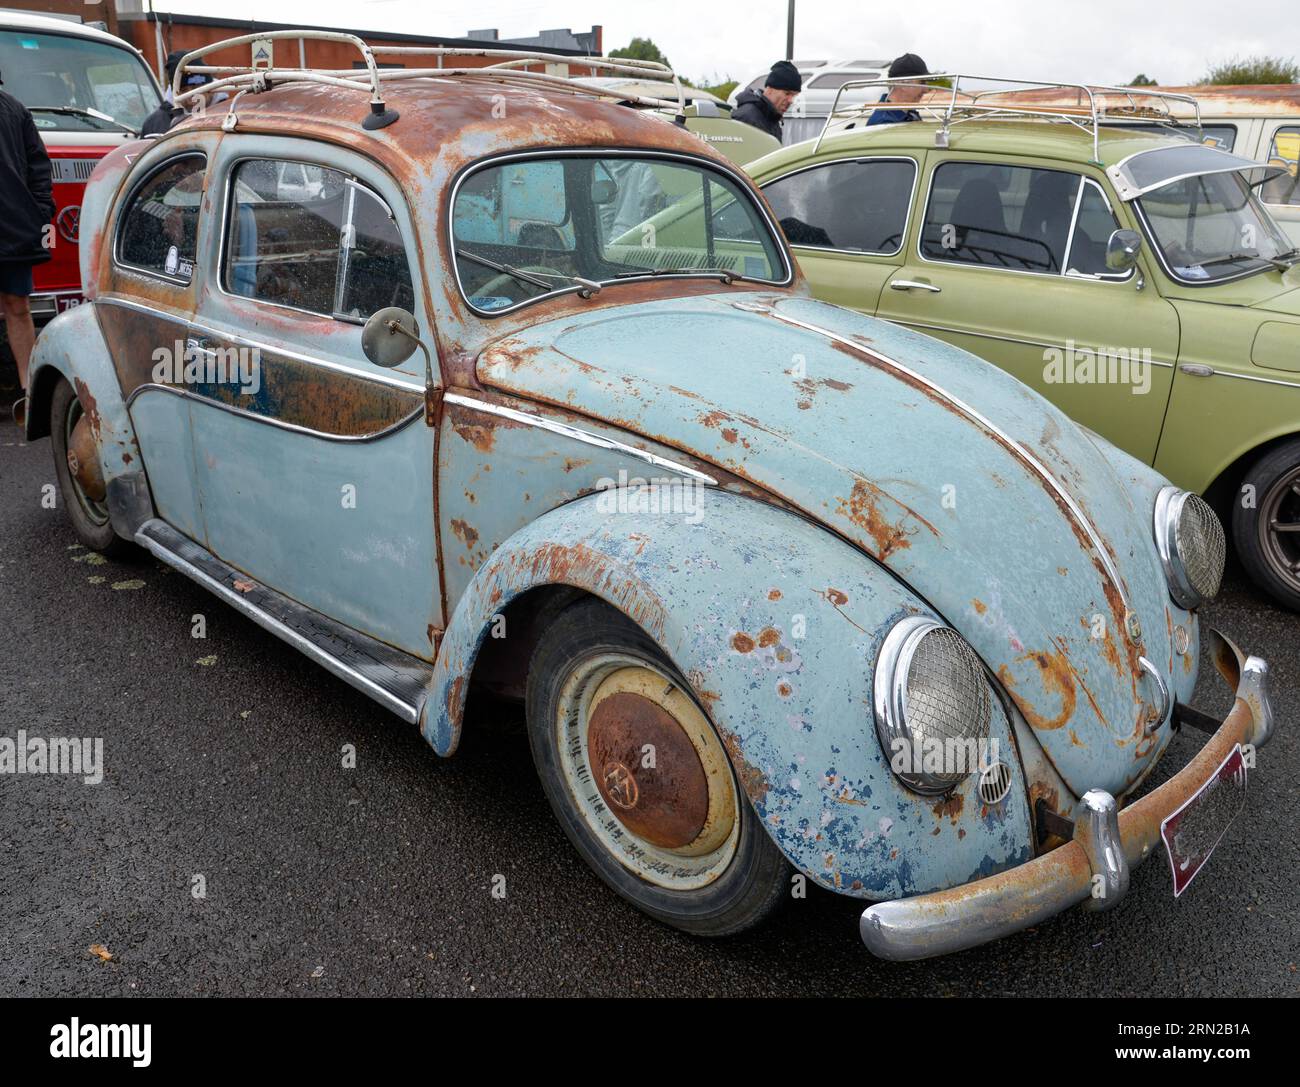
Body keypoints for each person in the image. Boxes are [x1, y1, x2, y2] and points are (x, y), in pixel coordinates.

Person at [0, 66, 55, 395]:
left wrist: (40, 211)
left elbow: (39, 165)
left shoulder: (15, 110)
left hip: (13, 224)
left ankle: (30, 388)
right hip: (15, 225)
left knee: (18, 306)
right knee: (17, 306)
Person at [141, 50, 214, 136]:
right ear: (174, 92)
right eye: (183, 90)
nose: (191, 101)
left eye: (195, 88)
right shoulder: (154, 124)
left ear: (210, 88)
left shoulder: (229, 114)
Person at [731, 60, 802, 141]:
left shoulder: (772, 119)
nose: (791, 100)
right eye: (787, 93)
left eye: (794, 96)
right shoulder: (746, 118)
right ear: (770, 89)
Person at [867, 53, 931, 126]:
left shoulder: (909, 113)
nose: (926, 90)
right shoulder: (884, 123)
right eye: (922, 82)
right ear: (904, 84)